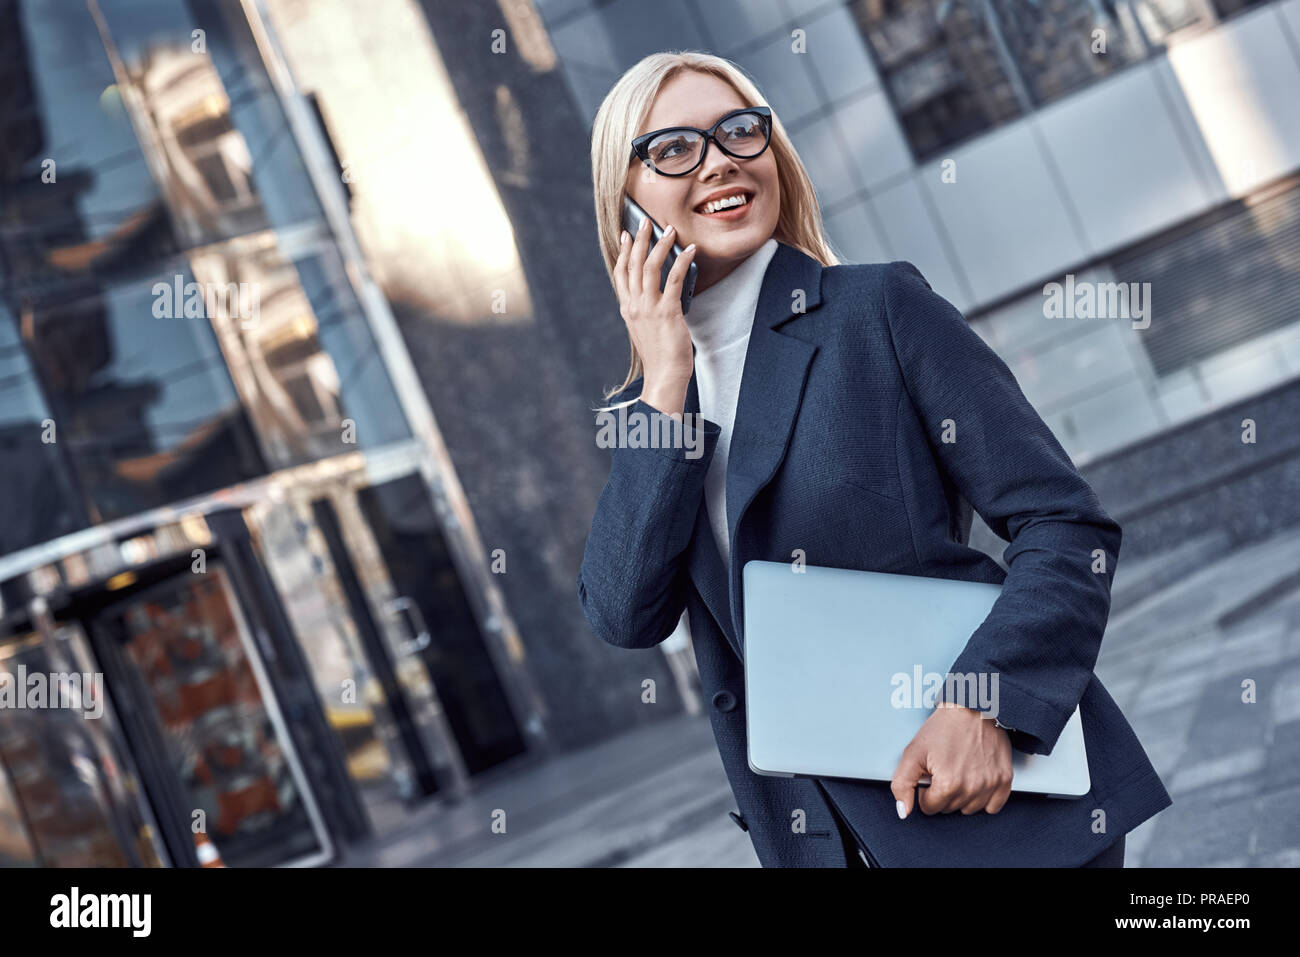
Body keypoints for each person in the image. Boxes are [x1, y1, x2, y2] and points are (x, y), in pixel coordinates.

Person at [577, 51, 1171, 867]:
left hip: (990, 814)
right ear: (627, 201)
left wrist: (985, 704)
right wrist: (668, 372)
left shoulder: (876, 310)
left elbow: (1065, 523)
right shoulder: (650, 405)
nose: (720, 159)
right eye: (675, 148)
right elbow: (624, 612)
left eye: (740, 131)